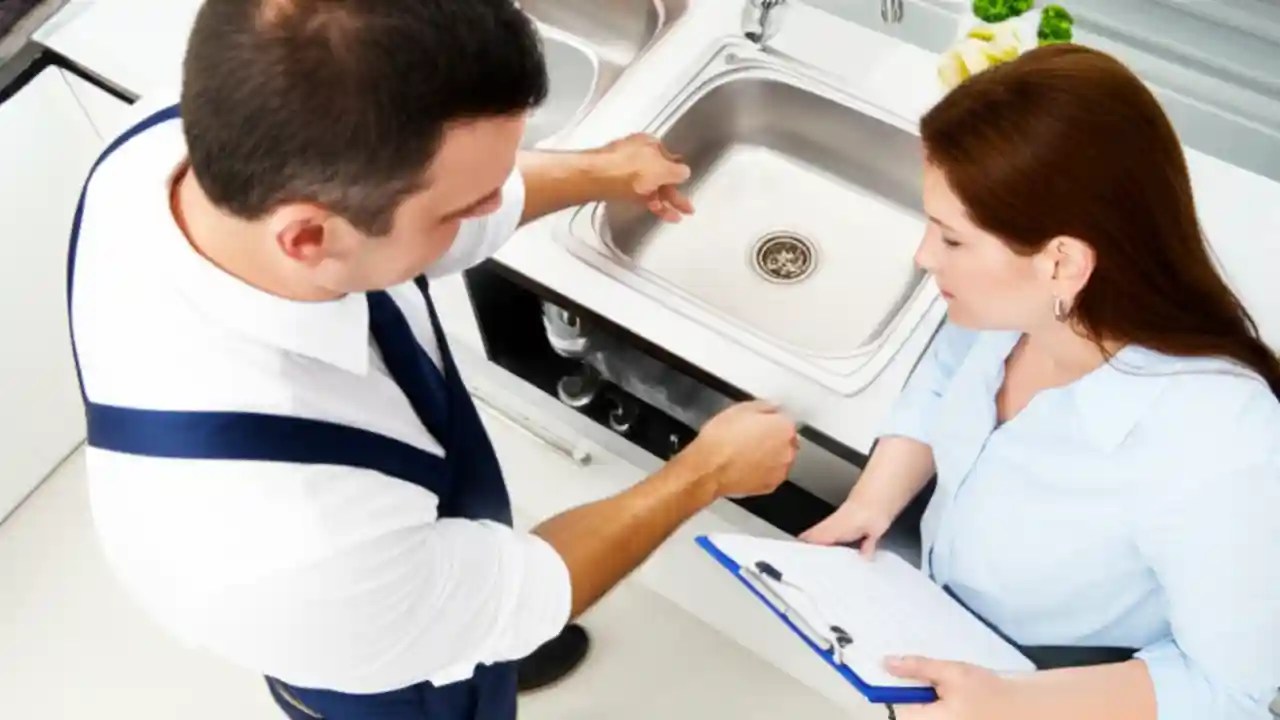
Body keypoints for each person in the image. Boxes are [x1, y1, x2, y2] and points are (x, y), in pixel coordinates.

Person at [67, 1, 799, 718]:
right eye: (458, 207)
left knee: (475, 606)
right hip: (381, 684)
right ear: (310, 240)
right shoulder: (305, 553)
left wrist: (599, 171)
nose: (487, 207)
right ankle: (471, 628)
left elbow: (431, 202)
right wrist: (707, 472)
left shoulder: (172, 146)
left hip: (386, 587)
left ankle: (470, 615)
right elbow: (536, 584)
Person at [803, 44, 1280, 720]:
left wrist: (1012, 705)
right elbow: (943, 374)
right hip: (951, 650)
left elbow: (1230, 690)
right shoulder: (1008, 310)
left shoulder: (1219, 440)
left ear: (1063, 262)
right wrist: (872, 503)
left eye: (952, 239)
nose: (922, 255)